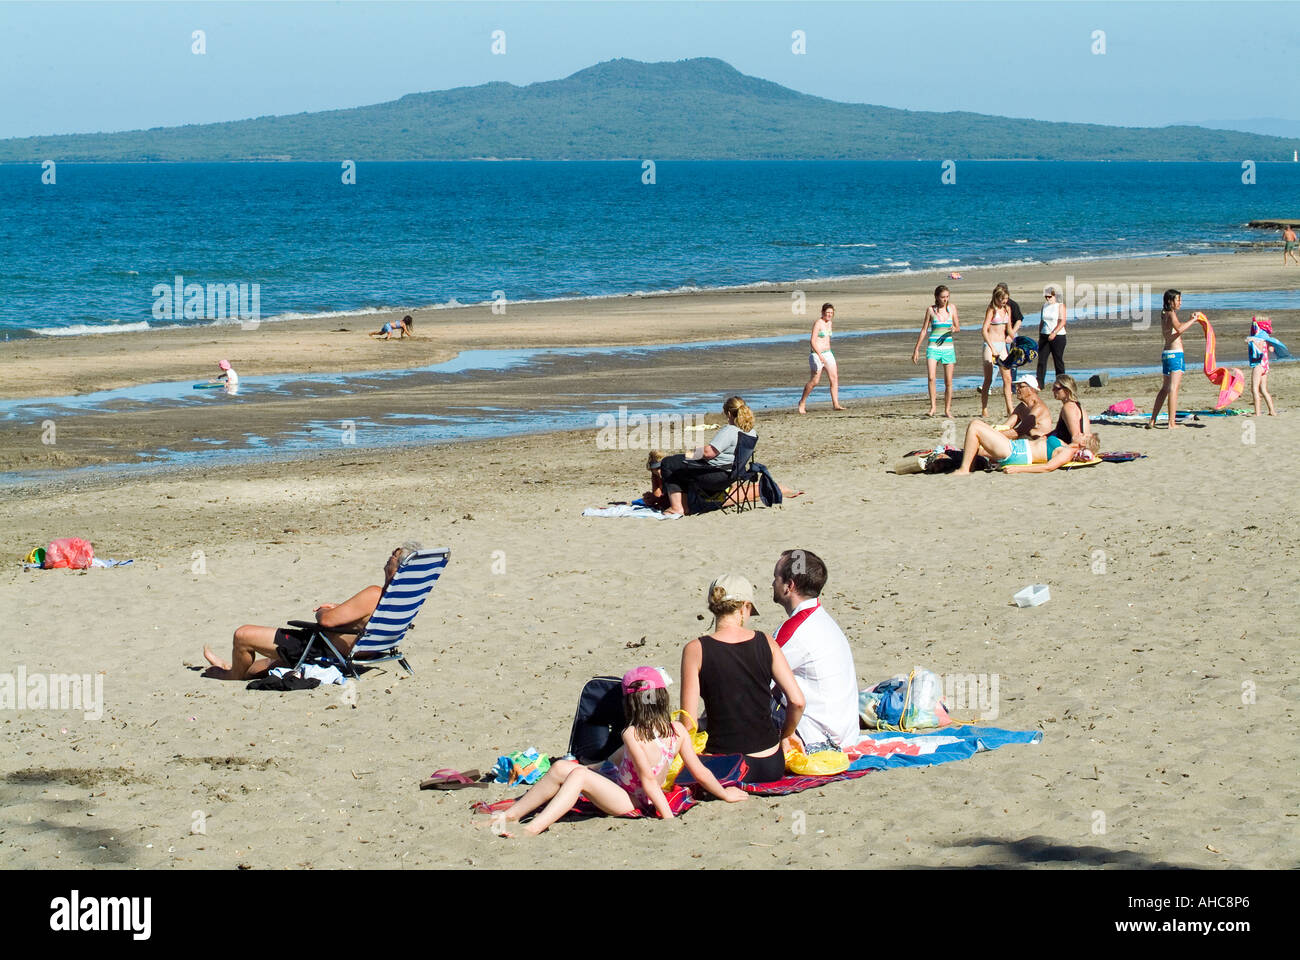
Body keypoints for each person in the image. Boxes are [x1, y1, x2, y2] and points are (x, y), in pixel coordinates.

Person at [490, 667, 747, 835]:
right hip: (626, 786)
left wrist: (668, 819)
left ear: (630, 704)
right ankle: (511, 815)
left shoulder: (632, 733)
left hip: (631, 799)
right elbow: (699, 771)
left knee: (578, 776)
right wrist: (724, 793)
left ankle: (532, 829)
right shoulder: (677, 729)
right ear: (662, 698)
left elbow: (647, 781)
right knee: (561, 768)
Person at [201, 543, 421, 680]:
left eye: (395, 553)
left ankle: (230, 674)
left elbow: (326, 622)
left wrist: (323, 613)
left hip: (320, 647)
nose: (391, 553)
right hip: (362, 651)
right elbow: (362, 620)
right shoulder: (402, 597)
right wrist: (341, 610)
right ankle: (228, 667)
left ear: (400, 566)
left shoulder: (375, 594)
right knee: (264, 666)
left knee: (242, 634)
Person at [679, 574, 807, 783]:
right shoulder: (766, 641)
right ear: (744, 607)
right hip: (770, 764)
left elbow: (688, 722)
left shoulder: (696, 649)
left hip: (724, 766)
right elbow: (797, 701)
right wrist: (786, 735)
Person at [770, 550, 860, 753]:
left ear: (789, 586)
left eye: (775, 578)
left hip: (818, 739)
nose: (772, 583)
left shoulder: (796, 630)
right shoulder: (823, 620)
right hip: (847, 734)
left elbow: (759, 680)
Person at [659, 396, 756, 515]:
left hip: (716, 476)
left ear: (729, 413)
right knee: (680, 461)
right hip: (733, 475)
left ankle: (678, 507)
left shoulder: (730, 430)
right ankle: (683, 503)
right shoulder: (751, 432)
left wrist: (690, 453)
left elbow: (708, 453)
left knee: (668, 463)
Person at [952, 375, 1051, 473]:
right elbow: (1006, 426)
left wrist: (992, 436)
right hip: (1019, 445)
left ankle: (966, 468)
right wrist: (991, 433)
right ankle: (968, 465)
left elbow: (1018, 432)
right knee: (977, 444)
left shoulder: (1038, 409)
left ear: (1031, 389)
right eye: (1017, 386)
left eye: (1021, 386)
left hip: (1031, 449)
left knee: (979, 449)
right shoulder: (1022, 407)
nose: (1017, 389)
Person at [954, 421, 1101, 474]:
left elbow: (1048, 467)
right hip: (1015, 447)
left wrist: (1018, 469)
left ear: (1083, 444)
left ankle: (965, 470)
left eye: (1084, 435)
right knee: (973, 446)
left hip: (1016, 452)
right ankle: (969, 466)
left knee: (975, 426)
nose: (1080, 433)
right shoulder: (1066, 445)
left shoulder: (1068, 452)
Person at [1149, 289, 1197, 429]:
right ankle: (1171, 422)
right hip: (1175, 354)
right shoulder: (1170, 313)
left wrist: (1190, 319)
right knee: (1173, 388)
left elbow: (1174, 328)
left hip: (1166, 354)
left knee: (1165, 388)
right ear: (1170, 301)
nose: (1180, 302)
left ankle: (1152, 420)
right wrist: (1193, 320)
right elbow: (1180, 328)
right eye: (1178, 300)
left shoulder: (1164, 314)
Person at [911, 284, 960, 417]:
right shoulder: (931, 310)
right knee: (931, 377)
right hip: (933, 346)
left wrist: (953, 329)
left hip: (948, 347)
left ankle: (947, 409)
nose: (945, 299)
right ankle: (933, 407)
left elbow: (957, 327)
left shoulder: (952, 308)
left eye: (947, 297)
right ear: (937, 297)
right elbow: (924, 330)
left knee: (948, 381)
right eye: (943, 297)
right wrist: (916, 349)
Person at [798, 303, 846, 414]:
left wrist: (828, 353)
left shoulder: (829, 323)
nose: (829, 315)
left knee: (834, 378)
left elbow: (827, 339)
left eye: (831, 313)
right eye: (827, 312)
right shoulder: (818, 323)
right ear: (822, 312)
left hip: (828, 353)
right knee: (815, 380)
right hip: (816, 354)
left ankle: (836, 404)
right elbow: (812, 341)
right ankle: (802, 402)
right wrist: (819, 355)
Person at [980, 284, 1016, 417]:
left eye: (1006, 299)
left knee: (1008, 378)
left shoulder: (1007, 309)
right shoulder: (991, 310)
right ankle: (984, 408)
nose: (1004, 301)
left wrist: (1017, 340)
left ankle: (1010, 408)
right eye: (1002, 299)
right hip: (991, 345)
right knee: (988, 379)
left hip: (1002, 346)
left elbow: (1009, 329)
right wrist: (992, 347)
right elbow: (984, 330)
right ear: (996, 298)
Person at [1035, 285, 1069, 385]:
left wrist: (1054, 333)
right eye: (1046, 296)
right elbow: (1042, 321)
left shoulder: (1060, 306)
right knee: (1041, 360)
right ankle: (1040, 383)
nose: (1047, 298)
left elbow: (1062, 321)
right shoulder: (1044, 306)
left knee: (1058, 360)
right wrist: (1040, 334)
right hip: (1044, 335)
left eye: (1050, 296)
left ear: (1055, 296)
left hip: (1058, 336)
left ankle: (1061, 382)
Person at [1247, 317, 1277, 416]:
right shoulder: (1266, 338)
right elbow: (1271, 350)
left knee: (1254, 389)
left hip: (1258, 365)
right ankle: (1272, 411)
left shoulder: (1258, 338)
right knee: (1264, 390)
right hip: (1265, 366)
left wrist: (1252, 340)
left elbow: (1259, 349)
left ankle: (1258, 412)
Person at [1049, 374, 1092, 443]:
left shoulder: (1068, 407)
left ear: (1067, 390)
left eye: (1056, 388)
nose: (1053, 390)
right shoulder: (1077, 405)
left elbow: (1076, 437)